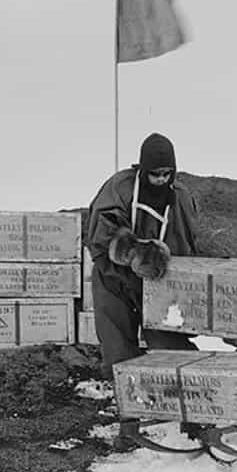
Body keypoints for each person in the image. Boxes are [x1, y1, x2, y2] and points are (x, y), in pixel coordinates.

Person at [86, 133, 200, 377]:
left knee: (170, 348)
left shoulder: (180, 197)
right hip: (115, 277)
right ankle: (126, 395)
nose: (160, 180)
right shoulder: (120, 187)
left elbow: (187, 242)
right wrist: (136, 253)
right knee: (118, 349)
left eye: (166, 174)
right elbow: (101, 234)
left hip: (157, 280)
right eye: (154, 174)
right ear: (143, 169)